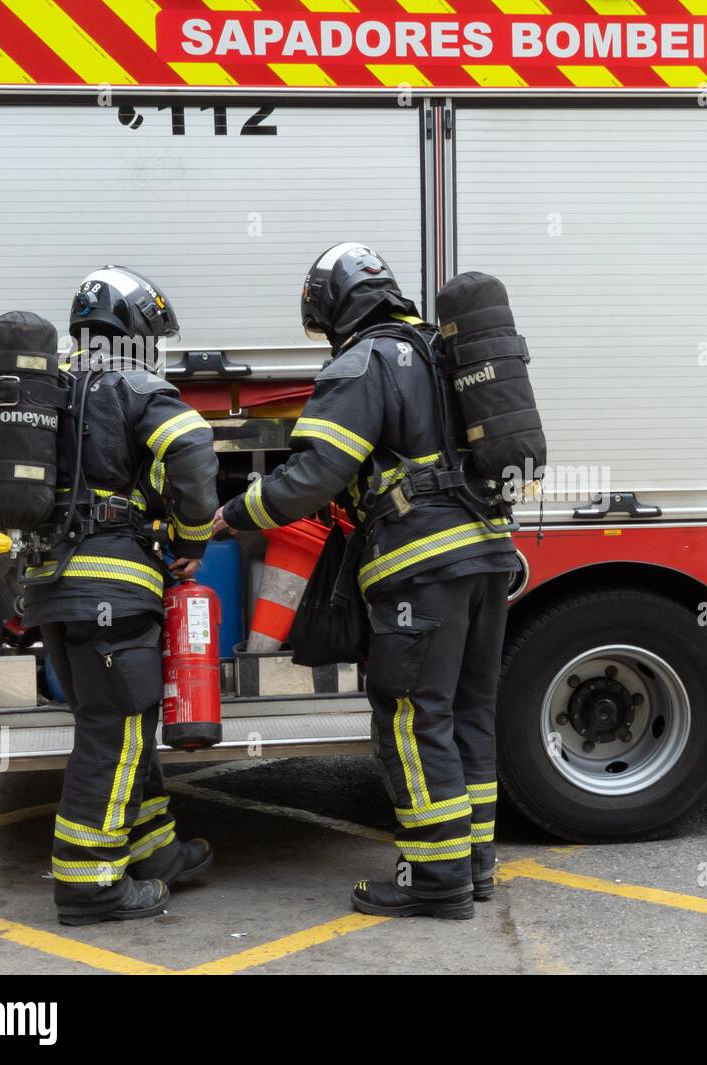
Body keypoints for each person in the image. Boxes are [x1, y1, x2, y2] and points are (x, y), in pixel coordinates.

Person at [213, 242, 518, 920]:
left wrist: (235, 513)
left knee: (411, 716)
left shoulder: (364, 363)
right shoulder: (447, 352)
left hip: (421, 569)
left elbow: (315, 474)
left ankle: (435, 879)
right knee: (468, 711)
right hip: (487, 557)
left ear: (333, 308)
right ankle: (474, 865)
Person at [20, 266, 219, 926]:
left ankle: (155, 850)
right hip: (113, 584)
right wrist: (193, 536)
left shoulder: (48, 389)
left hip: (55, 589)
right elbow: (192, 448)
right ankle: (90, 887)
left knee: (125, 727)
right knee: (115, 734)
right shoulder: (136, 385)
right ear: (135, 332)